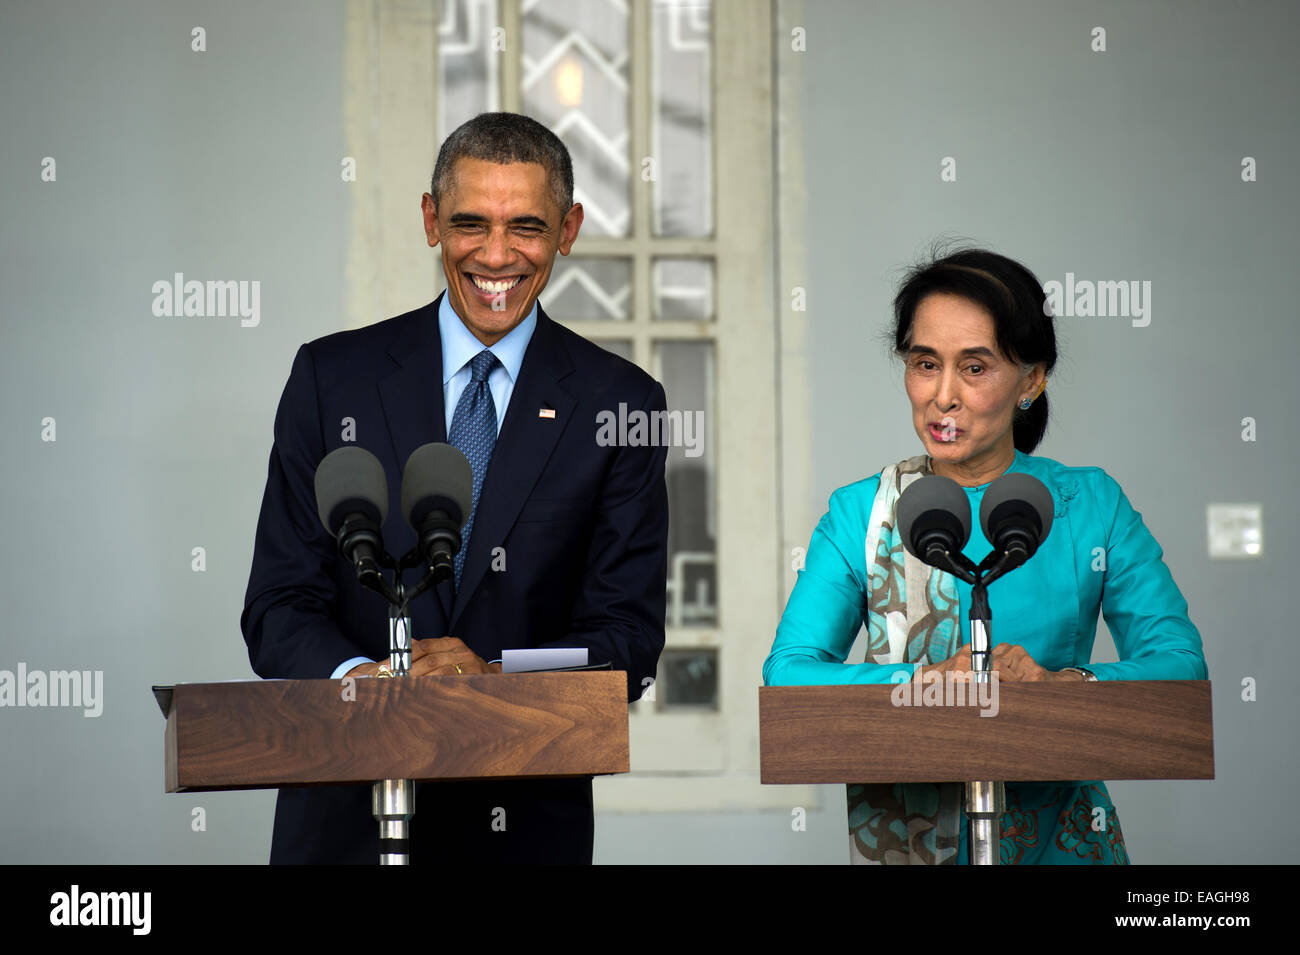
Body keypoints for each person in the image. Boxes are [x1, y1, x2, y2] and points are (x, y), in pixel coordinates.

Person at [241, 112, 669, 864]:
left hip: (523, 825)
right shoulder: (330, 378)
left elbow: (628, 640)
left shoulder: (621, 405)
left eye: (527, 227)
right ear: (431, 219)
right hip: (343, 817)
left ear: (568, 229)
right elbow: (278, 605)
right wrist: (361, 682)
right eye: (470, 223)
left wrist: (495, 677)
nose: (496, 255)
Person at [763, 246, 1207, 865]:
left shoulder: (1090, 504)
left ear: (1031, 379)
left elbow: (1179, 666)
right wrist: (922, 686)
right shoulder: (861, 514)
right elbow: (790, 676)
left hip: (1061, 841)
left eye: (975, 368)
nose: (943, 396)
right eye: (925, 364)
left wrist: (1062, 686)